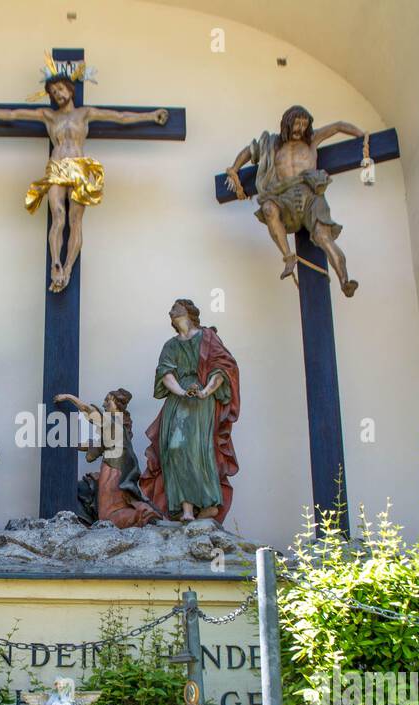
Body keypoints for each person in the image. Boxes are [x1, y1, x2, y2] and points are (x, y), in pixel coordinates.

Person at [0, 62, 168, 293]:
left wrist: (151, 116)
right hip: (57, 166)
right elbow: (13, 114)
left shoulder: (85, 113)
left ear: (70, 89)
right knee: (58, 217)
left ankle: (69, 268)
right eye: (53, 92)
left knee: (75, 221)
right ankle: (56, 263)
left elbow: (120, 117)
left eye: (60, 89)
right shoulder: (49, 116)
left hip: (79, 168)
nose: (57, 95)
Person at [224, 104, 366, 296]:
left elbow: (338, 126)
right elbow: (250, 151)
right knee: (268, 208)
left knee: (324, 237)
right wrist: (233, 169)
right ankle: (288, 256)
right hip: (283, 197)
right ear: (287, 124)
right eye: (296, 124)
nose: (300, 129)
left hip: (310, 196)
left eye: (304, 124)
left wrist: (363, 136)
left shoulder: (312, 140)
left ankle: (344, 280)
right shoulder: (272, 144)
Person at [140, 299, 241, 523]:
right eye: (171, 310)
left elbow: (223, 368)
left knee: (198, 449)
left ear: (188, 312)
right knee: (174, 449)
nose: (171, 311)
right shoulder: (171, 345)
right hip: (178, 402)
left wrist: (205, 391)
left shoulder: (208, 338)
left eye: (176, 308)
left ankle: (207, 503)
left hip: (203, 403)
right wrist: (181, 392)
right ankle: (185, 509)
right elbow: (166, 373)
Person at [54, 388, 159, 528]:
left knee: (109, 512)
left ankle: (143, 514)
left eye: (107, 401)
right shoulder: (117, 424)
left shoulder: (113, 421)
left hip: (113, 468)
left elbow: (87, 410)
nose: (104, 404)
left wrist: (68, 396)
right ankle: (142, 514)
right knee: (110, 508)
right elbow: (99, 445)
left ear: (116, 403)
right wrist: (72, 444)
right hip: (114, 466)